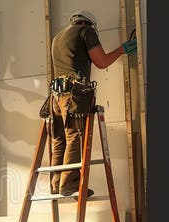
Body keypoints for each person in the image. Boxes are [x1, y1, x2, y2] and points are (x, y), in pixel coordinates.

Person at [48, 10, 137, 197]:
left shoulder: (57, 37)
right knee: (75, 136)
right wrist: (123, 49)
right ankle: (69, 184)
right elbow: (102, 62)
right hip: (73, 95)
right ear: (87, 24)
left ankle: (56, 183)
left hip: (55, 97)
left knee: (60, 140)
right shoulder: (86, 32)